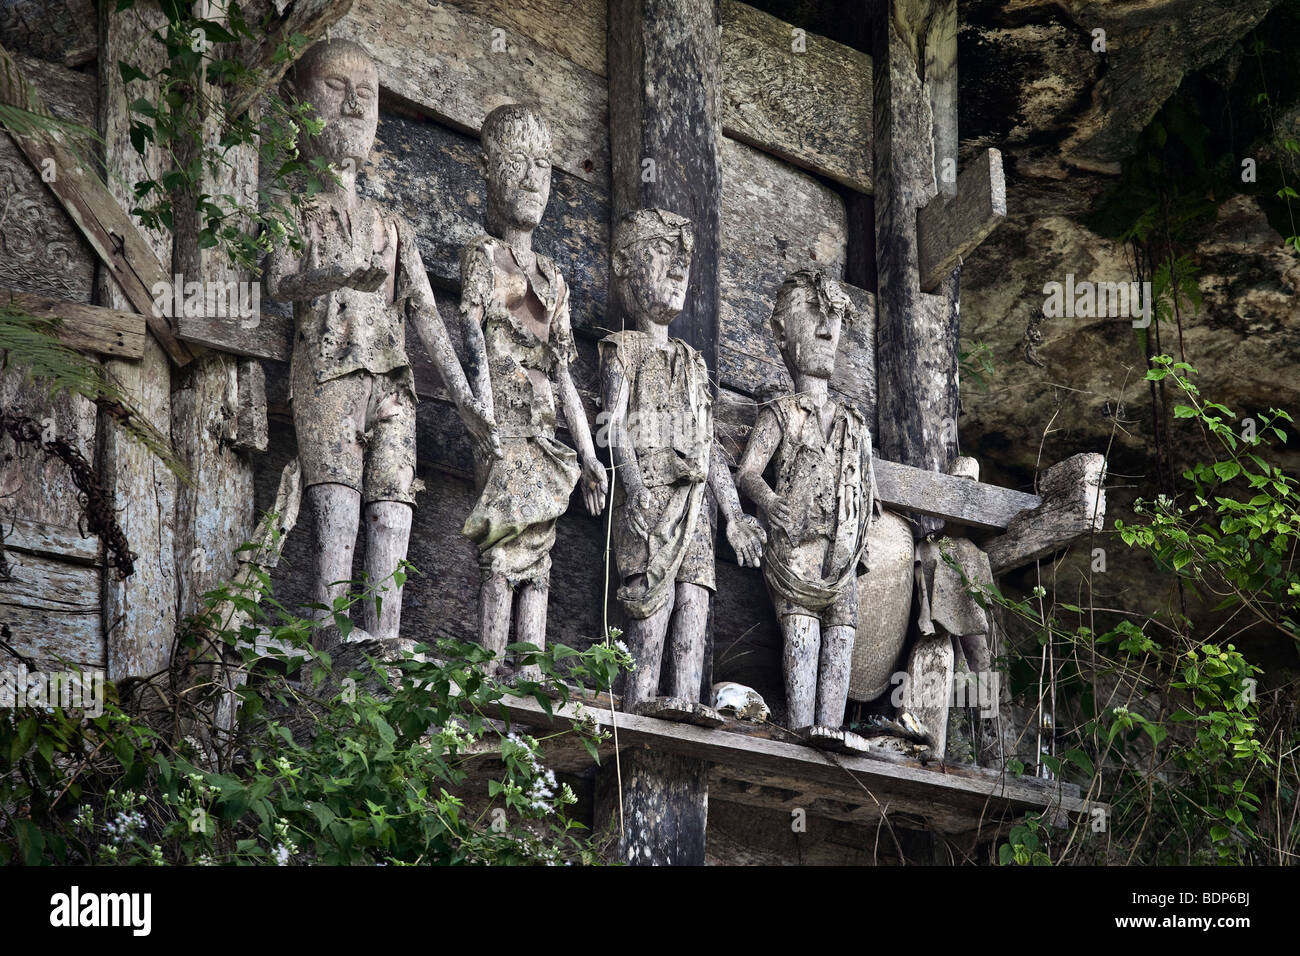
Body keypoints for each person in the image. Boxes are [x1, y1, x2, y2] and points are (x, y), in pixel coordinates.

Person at [268, 39, 497, 647]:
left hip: (393, 381)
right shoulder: (296, 213)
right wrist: (337, 276)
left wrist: (466, 396)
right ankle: (329, 636)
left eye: (363, 97)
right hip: (328, 371)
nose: (350, 109)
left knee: (394, 501)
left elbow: (425, 313)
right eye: (335, 91)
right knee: (337, 503)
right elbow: (278, 282)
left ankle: (384, 636)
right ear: (300, 107)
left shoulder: (391, 225)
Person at [459, 104, 607, 677]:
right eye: (516, 163)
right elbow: (470, 330)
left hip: (543, 432)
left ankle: (530, 670)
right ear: (490, 170)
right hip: (502, 430)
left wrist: (589, 453)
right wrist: (480, 411)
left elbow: (565, 372)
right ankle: (488, 666)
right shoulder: (483, 255)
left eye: (542, 165)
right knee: (502, 543)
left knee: (541, 547)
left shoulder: (554, 277)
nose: (530, 178)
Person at [599, 209, 765, 716]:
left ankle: (688, 698)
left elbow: (708, 445)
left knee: (695, 597)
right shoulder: (621, 348)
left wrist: (734, 514)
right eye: (661, 251)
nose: (676, 267)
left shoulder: (694, 362)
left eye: (684, 259)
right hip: (649, 496)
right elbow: (613, 427)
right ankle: (641, 699)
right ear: (625, 265)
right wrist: (634, 487)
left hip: (695, 503)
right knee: (653, 600)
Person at [737, 270, 874, 738]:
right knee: (802, 631)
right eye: (813, 315)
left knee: (843, 631)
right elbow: (748, 471)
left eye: (834, 319)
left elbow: (867, 487)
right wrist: (769, 500)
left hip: (842, 555)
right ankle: (800, 726)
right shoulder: (782, 412)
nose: (825, 329)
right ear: (782, 333)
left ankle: (831, 727)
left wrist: (861, 541)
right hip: (795, 551)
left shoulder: (855, 422)